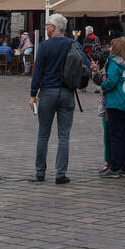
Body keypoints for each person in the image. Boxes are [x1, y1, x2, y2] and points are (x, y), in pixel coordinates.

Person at [29, 13, 86, 184]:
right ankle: (60, 173)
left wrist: (33, 94)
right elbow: (83, 64)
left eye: (47, 25)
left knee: (43, 134)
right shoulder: (72, 44)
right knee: (63, 135)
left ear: (53, 28)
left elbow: (37, 72)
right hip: (67, 92)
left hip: (47, 92)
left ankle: (40, 172)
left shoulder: (45, 46)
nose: (45, 28)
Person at [100, 37, 125, 178]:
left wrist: (103, 86)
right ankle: (124, 166)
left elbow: (110, 82)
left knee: (114, 135)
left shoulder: (114, 63)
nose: (109, 49)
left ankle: (115, 167)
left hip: (115, 102)